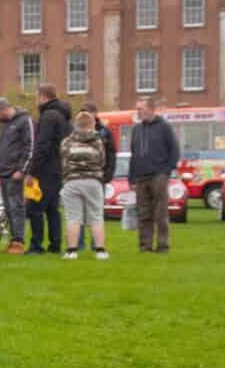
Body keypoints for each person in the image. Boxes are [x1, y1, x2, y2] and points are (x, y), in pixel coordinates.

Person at [128, 96, 181, 253]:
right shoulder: (136, 129)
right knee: (143, 213)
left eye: (141, 109)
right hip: (140, 176)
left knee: (160, 213)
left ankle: (163, 246)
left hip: (159, 175)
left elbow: (174, 151)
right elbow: (134, 154)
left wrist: (166, 171)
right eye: (137, 109)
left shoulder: (164, 127)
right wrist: (131, 178)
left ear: (151, 109)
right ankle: (145, 246)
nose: (138, 112)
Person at [25, 83, 72, 254]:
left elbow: (42, 146)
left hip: (45, 168)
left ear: (43, 97)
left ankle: (36, 245)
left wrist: (32, 171)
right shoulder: (63, 116)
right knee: (52, 209)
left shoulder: (48, 116)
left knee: (35, 208)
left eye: (36, 97)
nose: (36, 101)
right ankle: (55, 244)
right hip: (59, 168)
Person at [59, 110, 110, 260]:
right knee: (96, 217)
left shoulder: (67, 141)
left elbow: (63, 158)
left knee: (73, 217)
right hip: (93, 181)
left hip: (72, 181)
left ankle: (71, 251)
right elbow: (102, 161)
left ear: (76, 124)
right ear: (92, 124)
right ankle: (100, 251)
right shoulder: (98, 141)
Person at [0, 97, 33, 254]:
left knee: (16, 207)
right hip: (4, 171)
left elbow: (30, 146)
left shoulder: (24, 120)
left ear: (3, 109)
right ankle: (13, 239)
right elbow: (2, 148)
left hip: (15, 172)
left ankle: (19, 241)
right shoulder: (3, 124)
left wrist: (21, 169)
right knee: (8, 208)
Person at [74, 101, 116, 250]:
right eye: (82, 111)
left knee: (96, 212)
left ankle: (95, 244)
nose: (84, 114)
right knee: (78, 211)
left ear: (95, 114)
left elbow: (111, 154)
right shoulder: (75, 131)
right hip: (78, 176)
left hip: (98, 177)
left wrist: (108, 174)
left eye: (87, 111)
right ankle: (78, 244)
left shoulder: (104, 132)